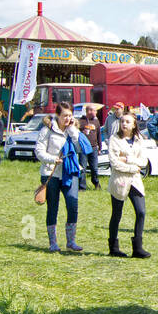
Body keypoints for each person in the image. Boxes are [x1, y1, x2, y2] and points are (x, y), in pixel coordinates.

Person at [35, 104, 85, 254]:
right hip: (51, 173)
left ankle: (71, 241)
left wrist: (72, 129)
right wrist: (53, 159)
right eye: (64, 116)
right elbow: (39, 151)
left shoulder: (73, 130)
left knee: (72, 203)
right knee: (53, 207)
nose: (68, 118)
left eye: (70, 115)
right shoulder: (47, 130)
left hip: (69, 172)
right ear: (57, 115)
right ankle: (53, 243)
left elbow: (80, 147)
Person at [107, 112, 151, 258]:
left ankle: (138, 247)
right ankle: (113, 247)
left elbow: (144, 162)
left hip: (135, 181)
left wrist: (127, 158)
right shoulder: (114, 139)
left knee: (141, 211)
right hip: (120, 180)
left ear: (134, 125)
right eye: (122, 121)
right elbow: (115, 163)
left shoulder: (139, 140)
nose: (124, 124)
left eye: (127, 122)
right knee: (117, 214)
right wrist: (133, 166)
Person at [77, 105, 102, 190]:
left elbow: (99, 135)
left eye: (95, 111)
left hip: (94, 148)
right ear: (88, 111)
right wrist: (82, 131)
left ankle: (96, 183)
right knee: (82, 168)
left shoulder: (96, 122)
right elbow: (76, 134)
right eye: (93, 110)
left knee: (94, 168)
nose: (95, 112)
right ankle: (82, 186)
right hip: (83, 148)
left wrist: (100, 147)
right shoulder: (81, 121)